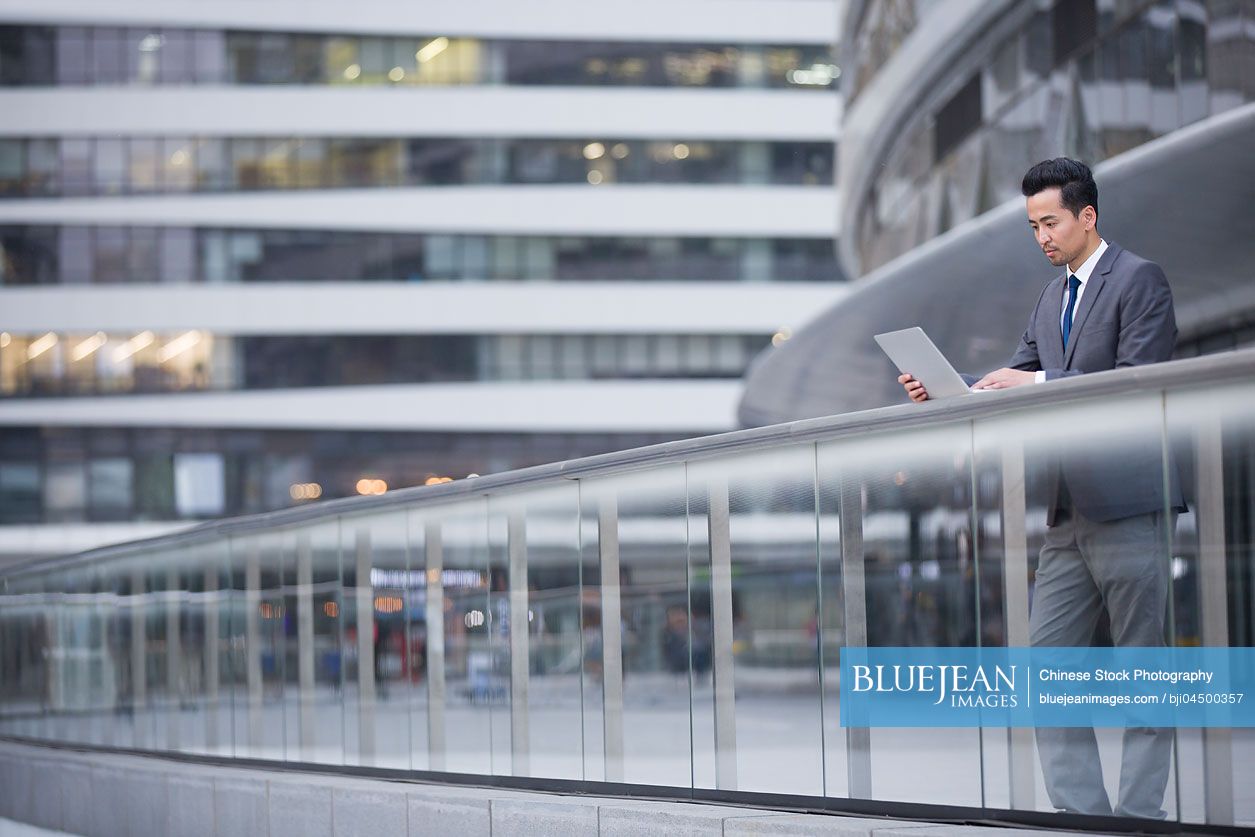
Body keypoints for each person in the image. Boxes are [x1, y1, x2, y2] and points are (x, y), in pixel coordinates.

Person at [898, 158, 1184, 819]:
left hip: (1132, 502)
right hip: (1067, 511)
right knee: (1044, 670)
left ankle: (1139, 818)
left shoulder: (1138, 279)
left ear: (1086, 216)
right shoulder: (1052, 297)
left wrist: (1031, 383)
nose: (1040, 237)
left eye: (1048, 222)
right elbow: (1018, 374)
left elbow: (1137, 380)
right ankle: (1083, 813)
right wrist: (947, 390)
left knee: (1145, 670)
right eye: (1031, 226)